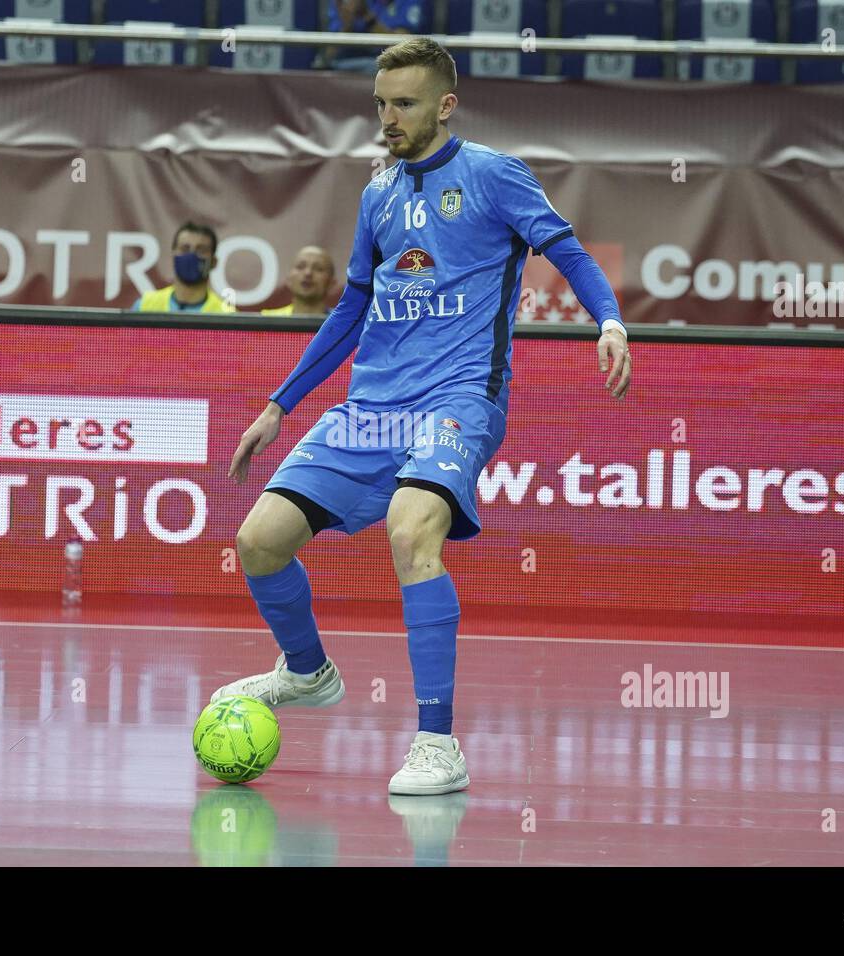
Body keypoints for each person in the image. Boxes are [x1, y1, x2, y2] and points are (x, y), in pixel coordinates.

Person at [212, 37, 630, 796]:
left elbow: (568, 253)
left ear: (445, 105)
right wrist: (279, 403)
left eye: (403, 104)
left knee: (411, 529)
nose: (387, 118)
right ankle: (307, 673)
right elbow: (353, 306)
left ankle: (438, 742)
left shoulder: (495, 175)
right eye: (379, 103)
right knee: (259, 541)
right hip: (371, 407)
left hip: (460, 399)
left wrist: (608, 322)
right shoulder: (378, 193)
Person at [133, 222, 234, 313]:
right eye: (185, 248)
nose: (192, 255)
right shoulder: (144, 307)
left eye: (201, 250)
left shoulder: (226, 315)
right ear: (173, 256)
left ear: (213, 262)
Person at [326, 0, 426, 71]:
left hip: (389, 65)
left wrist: (366, 15)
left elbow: (401, 46)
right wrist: (347, 23)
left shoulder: (409, 2)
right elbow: (328, 56)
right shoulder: (347, 2)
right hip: (343, 64)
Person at [262, 246, 338, 316]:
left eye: (318, 268)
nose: (308, 273)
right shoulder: (267, 321)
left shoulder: (343, 324)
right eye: (300, 267)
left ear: (332, 283)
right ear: (289, 279)